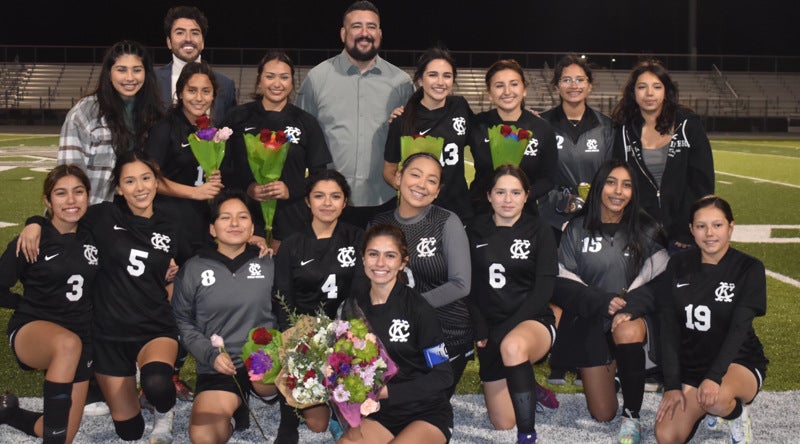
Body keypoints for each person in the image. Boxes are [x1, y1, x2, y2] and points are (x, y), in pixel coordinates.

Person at [17, 152, 191, 444]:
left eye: (146, 178)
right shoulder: (102, 216)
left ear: (156, 182)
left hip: (153, 327)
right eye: (130, 181)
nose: (140, 187)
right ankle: (11, 413)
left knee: (159, 383)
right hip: (108, 336)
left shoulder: (173, 224)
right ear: (119, 188)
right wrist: (35, 220)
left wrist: (254, 240)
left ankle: (164, 410)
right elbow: (64, 217)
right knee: (130, 432)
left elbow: (201, 256)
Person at [549, 159, 669, 444]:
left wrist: (630, 305)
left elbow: (663, 280)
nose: (618, 191)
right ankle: (618, 372)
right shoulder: (576, 229)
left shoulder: (647, 229)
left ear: (634, 192)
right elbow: (561, 280)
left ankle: (632, 415)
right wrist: (600, 301)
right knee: (602, 412)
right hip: (592, 319)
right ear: (599, 186)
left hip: (631, 320)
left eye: (626, 185)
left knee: (626, 331)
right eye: (611, 183)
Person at [171, 190, 284, 444]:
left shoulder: (269, 263)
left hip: (263, 359)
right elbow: (182, 321)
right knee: (202, 436)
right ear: (212, 229)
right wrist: (211, 356)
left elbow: (286, 312)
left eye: (242, 217)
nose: (234, 224)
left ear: (252, 227)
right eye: (225, 218)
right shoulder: (194, 268)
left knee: (304, 412)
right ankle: (236, 413)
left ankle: (265, 392)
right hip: (220, 366)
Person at [655, 195, 768, 444]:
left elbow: (739, 330)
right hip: (693, 367)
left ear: (731, 227)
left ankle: (736, 414)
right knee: (666, 435)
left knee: (716, 400)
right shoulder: (678, 264)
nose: (709, 233)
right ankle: (707, 403)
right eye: (701, 226)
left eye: (717, 225)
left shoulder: (749, 268)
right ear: (691, 230)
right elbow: (669, 327)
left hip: (737, 362)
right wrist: (673, 385)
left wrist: (714, 377)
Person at [0, 165, 98, 444]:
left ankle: (9, 413)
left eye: (78, 192)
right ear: (47, 200)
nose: (71, 200)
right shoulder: (32, 240)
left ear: (88, 196)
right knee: (67, 344)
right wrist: (21, 303)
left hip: (81, 336)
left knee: (62, 432)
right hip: (33, 331)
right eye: (61, 193)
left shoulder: (94, 236)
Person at [296, 0, 414, 229]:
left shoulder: (401, 83)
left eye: (371, 27)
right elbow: (300, 141)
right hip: (331, 204)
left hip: (384, 200)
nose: (364, 33)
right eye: (356, 26)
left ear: (379, 33)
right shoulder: (317, 79)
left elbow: (411, 141)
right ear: (343, 33)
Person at [271, 170, 364, 444]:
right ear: (308, 202)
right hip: (305, 333)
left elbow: (361, 292)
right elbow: (282, 297)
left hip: (345, 330)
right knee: (315, 426)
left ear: (345, 202)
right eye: (319, 196)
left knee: (328, 423)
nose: (327, 203)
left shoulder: (357, 238)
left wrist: (349, 334)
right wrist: (297, 339)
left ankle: (340, 404)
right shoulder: (291, 244)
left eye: (335, 196)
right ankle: (287, 421)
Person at [337, 224, 453, 444]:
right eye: (373, 254)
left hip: (425, 411)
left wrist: (387, 392)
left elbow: (443, 375)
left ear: (403, 262)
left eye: (390, 256)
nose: (380, 263)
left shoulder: (419, 309)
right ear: (362, 258)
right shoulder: (353, 306)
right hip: (379, 413)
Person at [467, 165, 557, 444]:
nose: (508, 199)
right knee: (502, 422)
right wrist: (480, 325)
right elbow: (466, 285)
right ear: (489, 196)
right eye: (501, 192)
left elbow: (543, 291)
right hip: (491, 329)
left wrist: (504, 330)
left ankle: (527, 435)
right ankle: (527, 383)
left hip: (531, 322)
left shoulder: (540, 231)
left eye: (516, 192)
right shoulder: (474, 230)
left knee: (512, 346)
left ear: (527, 196)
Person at [370, 152, 471, 398]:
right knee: (386, 401)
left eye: (431, 180)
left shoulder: (446, 221)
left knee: (426, 397)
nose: (421, 185)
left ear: (437, 191)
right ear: (399, 177)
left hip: (446, 332)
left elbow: (461, 285)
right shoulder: (379, 224)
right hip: (396, 331)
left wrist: (410, 307)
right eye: (415, 175)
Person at [222, 51, 332, 251]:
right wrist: (247, 188)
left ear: (292, 82)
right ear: (259, 81)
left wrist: (291, 189)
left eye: (284, 77)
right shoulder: (237, 118)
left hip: (292, 218)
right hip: (245, 217)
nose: (277, 84)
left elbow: (320, 176)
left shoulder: (306, 122)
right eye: (270, 76)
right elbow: (223, 169)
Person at [611, 59, 714, 254]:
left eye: (656, 87)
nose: (649, 93)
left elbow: (702, 182)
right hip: (640, 233)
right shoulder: (624, 129)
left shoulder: (687, 124)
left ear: (666, 91)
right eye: (642, 87)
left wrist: (689, 229)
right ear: (633, 92)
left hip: (682, 235)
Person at [58, 40, 163, 205]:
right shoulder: (85, 112)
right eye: (121, 70)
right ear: (109, 73)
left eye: (137, 70)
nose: (130, 78)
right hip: (95, 211)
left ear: (146, 74)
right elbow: (69, 174)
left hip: (138, 211)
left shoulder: (152, 113)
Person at [383, 46, 473, 224]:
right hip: (417, 213)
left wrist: (522, 116)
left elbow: (484, 130)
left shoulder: (460, 106)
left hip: (458, 211)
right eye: (433, 75)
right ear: (420, 80)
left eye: (447, 76)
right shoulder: (403, 120)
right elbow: (388, 171)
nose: (440, 82)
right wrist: (414, 193)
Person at [146, 60, 224, 256]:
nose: (199, 98)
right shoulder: (164, 128)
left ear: (213, 95)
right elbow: (150, 180)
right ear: (180, 93)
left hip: (201, 223)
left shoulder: (210, 130)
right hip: (170, 223)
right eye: (192, 90)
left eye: (206, 91)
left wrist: (214, 181)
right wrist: (194, 192)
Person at [539, 54, 614, 241]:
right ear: (556, 86)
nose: (574, 85)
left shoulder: (606, 127)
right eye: (566, 80)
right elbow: (535, 176)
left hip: (595, 219)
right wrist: (560, 203)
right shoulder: (541, 124)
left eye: (580, 80)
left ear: (589, 86)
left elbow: (612, 175)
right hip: (551, 221)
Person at [469, 59, 557, 217]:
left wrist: (521, 196)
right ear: (489, 94)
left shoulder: (542, 128)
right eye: (499, 85)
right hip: (481, 216)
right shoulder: (477, 124)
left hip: (526, 217)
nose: (507, 91)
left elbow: (549, 178)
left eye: (514, 84)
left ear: (524, 90)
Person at [156, 6, 236, 122]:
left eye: (195, 33)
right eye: (180, 33)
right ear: (169, 42)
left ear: (202, 42)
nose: (188, 39)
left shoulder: (225, 84)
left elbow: (230, 129)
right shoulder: (152, 80)